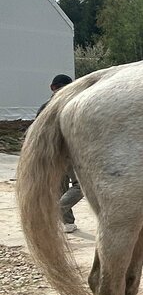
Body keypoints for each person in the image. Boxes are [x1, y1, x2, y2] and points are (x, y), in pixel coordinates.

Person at [38, 74, 84, 232]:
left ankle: (67, 223)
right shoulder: (73, 106)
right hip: (69, 152)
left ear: (52, 87)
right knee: (81, 186)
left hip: (51, 154)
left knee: (61, 188)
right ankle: (56, 212)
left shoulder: (44, 108)